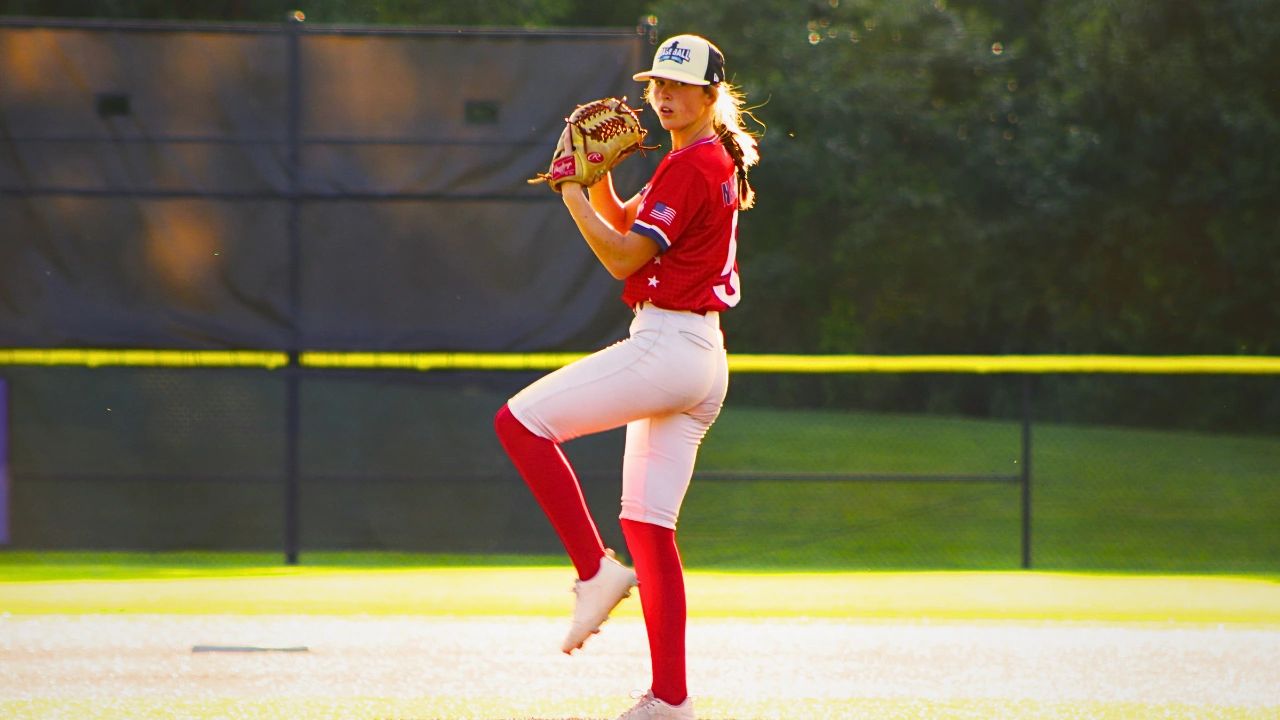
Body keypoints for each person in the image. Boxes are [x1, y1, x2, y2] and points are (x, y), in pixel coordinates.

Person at [494, 33, 759, 720]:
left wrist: (569, 191)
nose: (663, 96)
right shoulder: (703, 157)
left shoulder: (692, 164)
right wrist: (598, 179)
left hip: (669, 345)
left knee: (518, 423)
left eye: (678, 86)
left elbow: (618, 258)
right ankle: (670, 700)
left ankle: (592, 571)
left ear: (710, 94)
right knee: (649, 528)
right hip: (700, 355)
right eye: (656, 86)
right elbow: (628, 224)